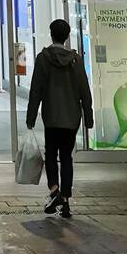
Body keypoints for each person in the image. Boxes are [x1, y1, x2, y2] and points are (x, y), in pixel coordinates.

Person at [26, 18, 94, 219]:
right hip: (72, 118)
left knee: (51, 155)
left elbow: (35, 91)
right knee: (67, 157)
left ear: (51, 34)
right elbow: (84, 90)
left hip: (52, 117)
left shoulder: (43, 58)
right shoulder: (76, 60)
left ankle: (54, 190)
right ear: (66, 36)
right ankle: (65, 201)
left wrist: (31, 117)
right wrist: (88, 117)